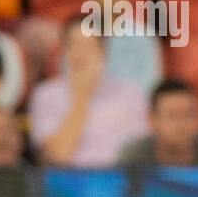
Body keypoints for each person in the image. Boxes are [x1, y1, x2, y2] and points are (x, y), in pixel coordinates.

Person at [28, 17, 149, 168]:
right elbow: (58, 156)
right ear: (63, 51)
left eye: (88, 46)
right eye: (74, 45)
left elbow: (139, 156)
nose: (81, 55)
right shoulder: (45, 95)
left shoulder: (131, 94)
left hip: (118, 182)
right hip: (68, 183)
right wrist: (82, 97)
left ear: (103, 52)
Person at [120, 79, 198, 167]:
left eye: (188, 114)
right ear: (152, 120)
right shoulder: (133, 158)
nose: (180, 124)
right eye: (171, 116)